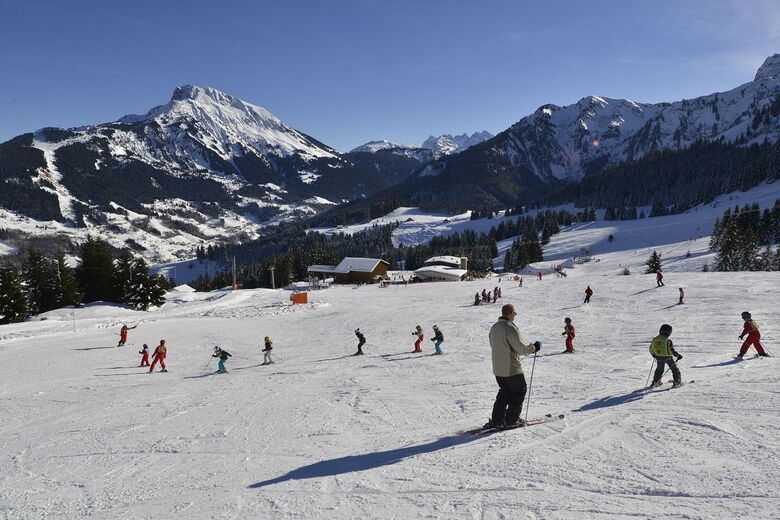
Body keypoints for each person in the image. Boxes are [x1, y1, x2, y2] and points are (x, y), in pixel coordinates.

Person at [485, 304, 541, 430]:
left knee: (504, 393)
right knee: (518, 392)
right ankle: (511, 420)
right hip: (511, 369)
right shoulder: (509, 328)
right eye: (514, 313)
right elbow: (521, 349)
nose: (515, 316)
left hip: (498, 369)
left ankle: (497, 419)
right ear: (510, 313)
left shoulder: (494, 327)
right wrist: (534, 347)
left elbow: (493, 344)